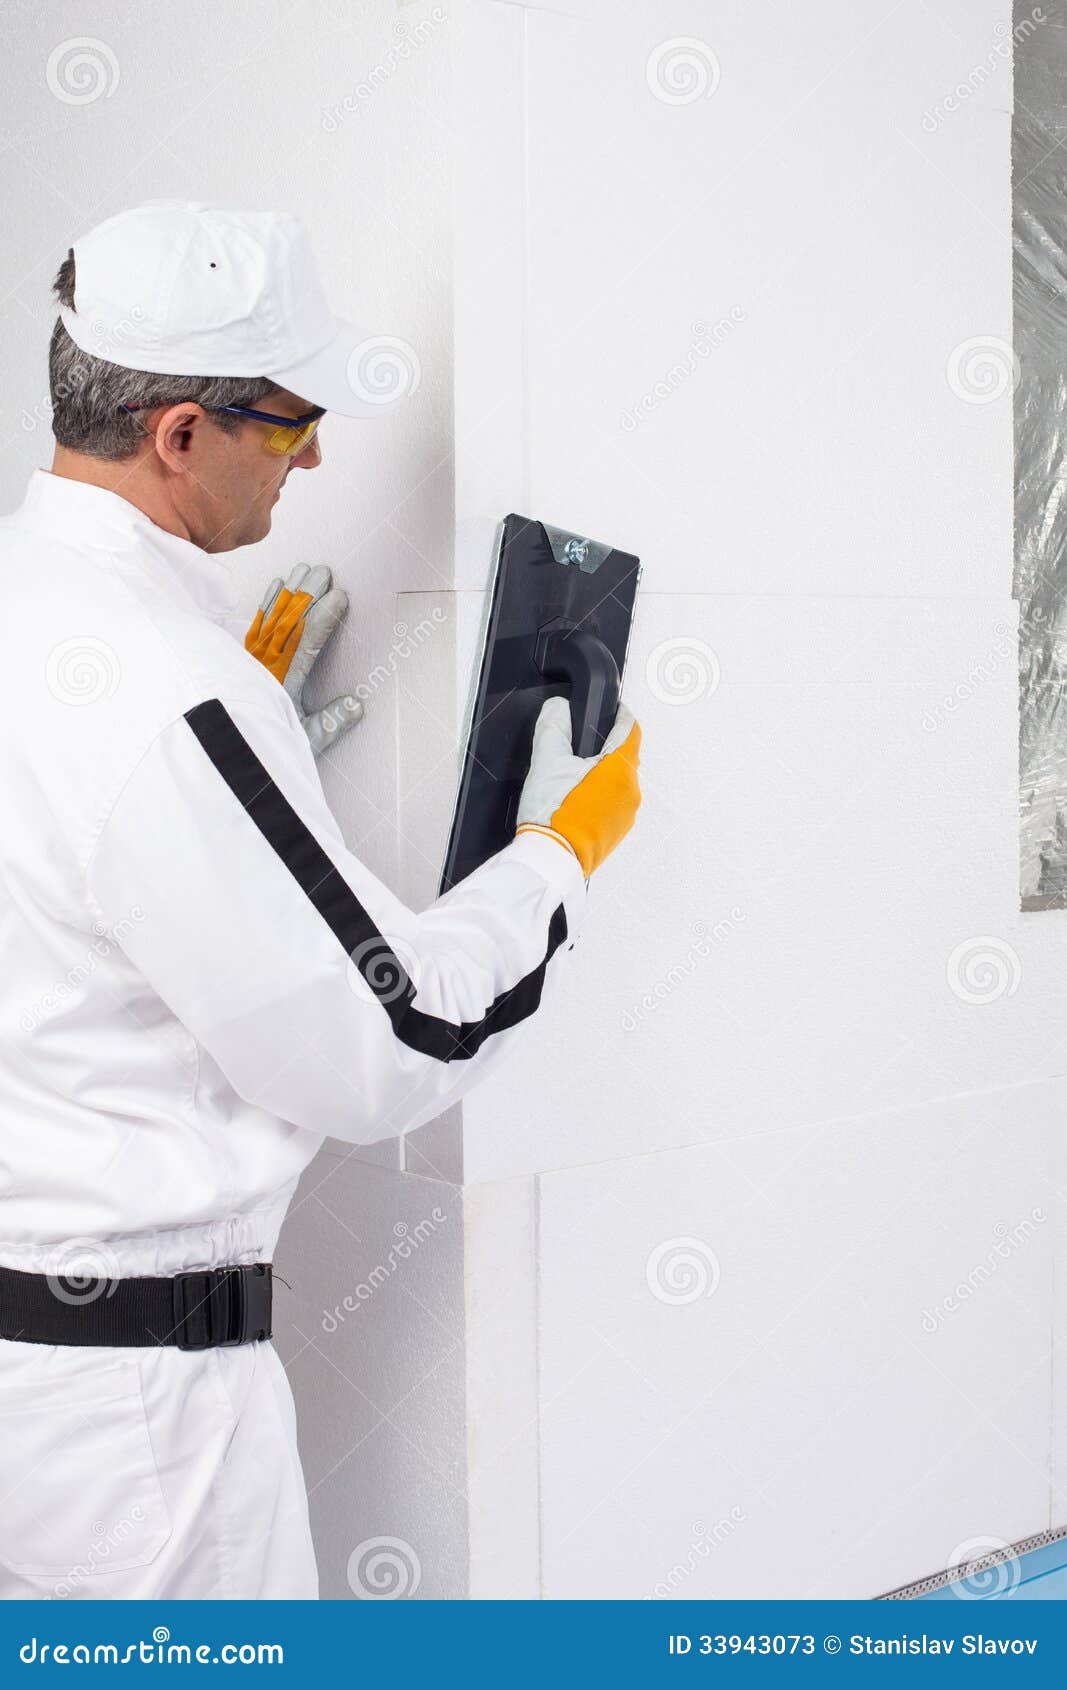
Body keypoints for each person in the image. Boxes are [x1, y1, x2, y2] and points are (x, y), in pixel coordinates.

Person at [0, 202, 642, 1599]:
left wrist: (228, 754)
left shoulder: (37, 611)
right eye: (290, 421)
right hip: (137, 1445)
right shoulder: (169, 687)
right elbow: (387, 1040)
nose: (319, 453)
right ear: (180, 434)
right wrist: (560, 859)